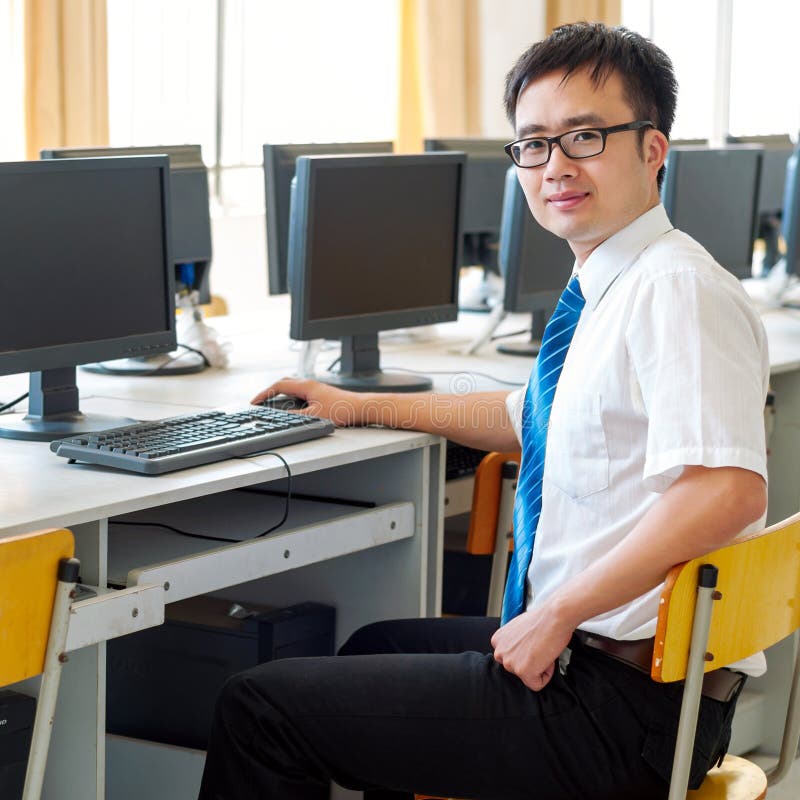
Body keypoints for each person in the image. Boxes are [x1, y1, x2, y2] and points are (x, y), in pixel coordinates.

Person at [198, 21, 769, 800]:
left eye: (586, 137)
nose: (556, 166)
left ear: (652, 149)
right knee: (373, 645)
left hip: (621, 711)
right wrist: (360, 406)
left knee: (258, 707)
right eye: (534, 144)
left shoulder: (674, 289)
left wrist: (557, 612)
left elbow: (727, 488)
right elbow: (540, 414)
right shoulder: (618, 284)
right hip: (623, 676)